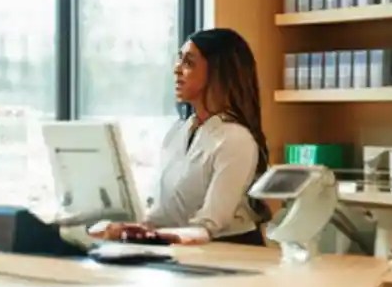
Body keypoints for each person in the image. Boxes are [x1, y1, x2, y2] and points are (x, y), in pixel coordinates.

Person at [92, 28, 270, 246]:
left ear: (218, 72)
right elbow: (162, 212)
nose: (177, 69)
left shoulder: (236, 139)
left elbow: (210, 225)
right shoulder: (178, 132)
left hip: (229, 252)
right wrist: (132, 228)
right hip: (181, 250)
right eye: (179, 60)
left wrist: (150, 235)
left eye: (189, 63)